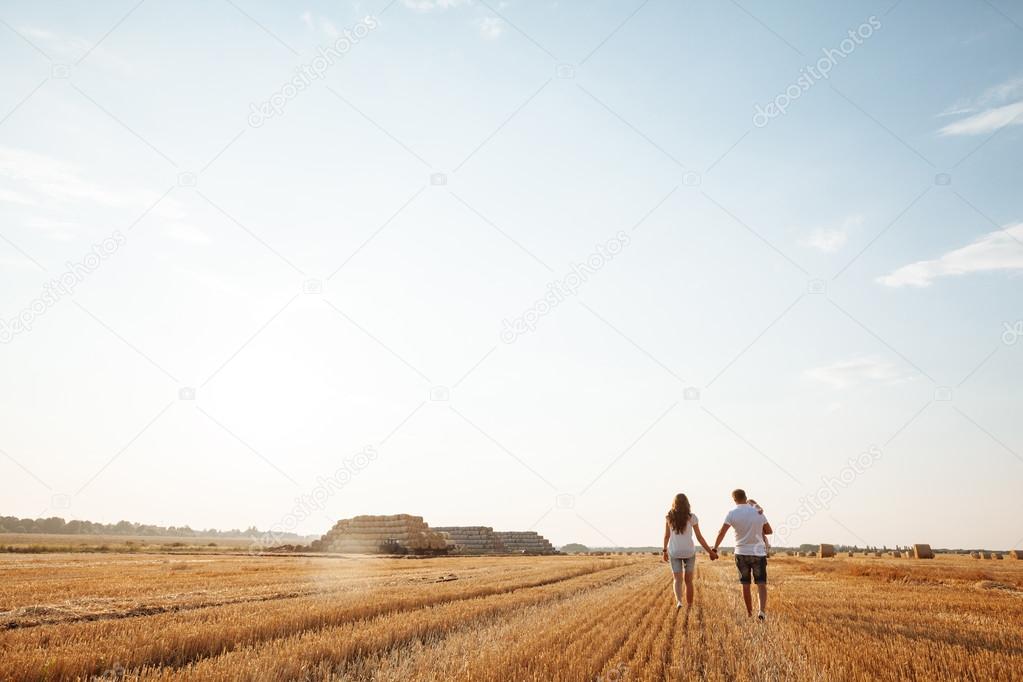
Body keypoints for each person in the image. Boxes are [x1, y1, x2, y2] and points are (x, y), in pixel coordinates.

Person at [713, 488, 772, 621]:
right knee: (761, 584)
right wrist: (757, 527)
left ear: (734, 499)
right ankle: (761, 611)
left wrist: (715, 548)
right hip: (758, 553)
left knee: (746, 585)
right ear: (746, 497)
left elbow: (721, 533)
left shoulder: (732, 513)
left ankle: (750, 613)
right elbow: (769, 530)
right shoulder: (758, 511)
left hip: (741, 553)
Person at [662, 493, 717, 609]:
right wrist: (710, 552)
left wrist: (664, 550)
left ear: (674, 503)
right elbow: (699, 537)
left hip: (675, 551)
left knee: (677, 579)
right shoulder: (692, 517)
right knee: (688, 581)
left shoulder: (669, 517)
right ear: (687, 504)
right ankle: (690, 606)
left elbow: (666, 536)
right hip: (689, 552)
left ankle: (679, 602)